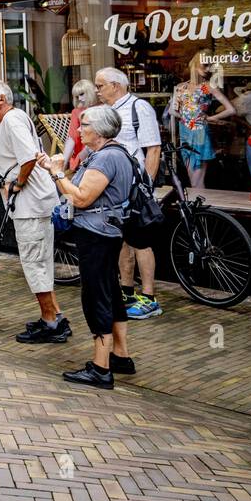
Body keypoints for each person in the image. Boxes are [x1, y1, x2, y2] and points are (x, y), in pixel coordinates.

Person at [36, 105, 136, 390]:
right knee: (111, 292)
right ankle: (121, 356)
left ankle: (100, 368)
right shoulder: (114, 153)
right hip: (108, 232)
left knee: (96, 296)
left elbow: (81, 199)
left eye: (84, 125)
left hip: (96, 233)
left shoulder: (105, 159)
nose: (79, 130)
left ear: (101, 130)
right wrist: (54, 169)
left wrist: (57, 173)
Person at [0, 82, 67, 344]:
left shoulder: (12, 121)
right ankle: (55, 316)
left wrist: (18, 183)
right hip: (35, 203)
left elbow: (28, 157)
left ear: (2, 98)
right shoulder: (14, 118)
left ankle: (51, 323)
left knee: (34, 264)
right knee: (38, 262)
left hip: (31, 205)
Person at [94, 67, 163, 321]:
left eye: (100, 86)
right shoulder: (109, 112)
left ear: (116, 85)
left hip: (136, 187)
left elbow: (153, 149)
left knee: (140, 241)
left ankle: (149, 298)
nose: (97, 91)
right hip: (115, 187)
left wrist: (146, 187)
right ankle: (127, 291)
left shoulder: (139, 108)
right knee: (122, 240)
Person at [169, 51, 235, 189]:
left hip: (199, 132)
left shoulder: (208, 87)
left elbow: (231, 109)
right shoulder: (181, 87)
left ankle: (200, 209)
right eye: (205, 65)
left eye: (209, 66)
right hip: (185, 133)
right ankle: (199, 208)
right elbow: (172, 111)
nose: (207, 69)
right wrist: (186, 117)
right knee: (192, 178)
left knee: (196, 181)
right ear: (195, 64)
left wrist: (210, 118)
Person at [66, 78, 99, 171]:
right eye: (77, 97)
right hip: (84, 152)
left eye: (82, 94)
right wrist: (64, 162)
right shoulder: (76, 112)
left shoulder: (102, 108)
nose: (80, 99)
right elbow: (73, 137)